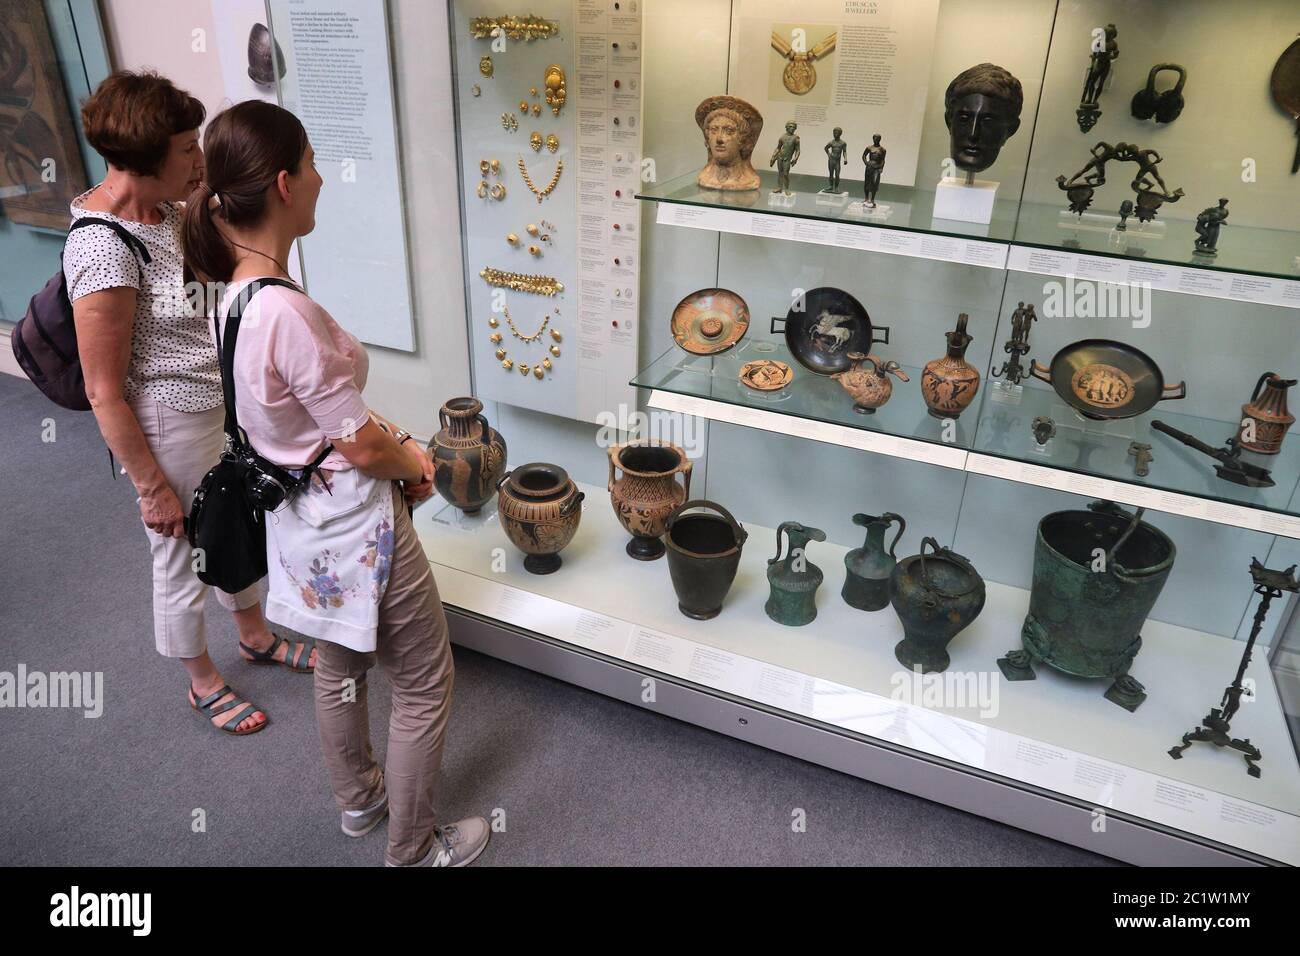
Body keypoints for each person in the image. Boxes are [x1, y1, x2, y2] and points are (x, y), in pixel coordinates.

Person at [180, 99, 488, 867]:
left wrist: (391, 445)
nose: (322, 179)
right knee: (421, 682)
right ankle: (414, 848)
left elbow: (316, 422)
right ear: (285, 183)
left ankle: (361, 804)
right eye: (313, 165)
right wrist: (413, 462)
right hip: (357, 528)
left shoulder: (238, 303)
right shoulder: (287, 312)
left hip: (302, 527)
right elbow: (357, 444)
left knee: (341, 665)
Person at [68, 71, 316, 738]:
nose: (198, 161)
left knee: (233, 525)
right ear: (145, 159)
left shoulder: (168, 213)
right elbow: (102, 389)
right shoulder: (101, 248)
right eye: (185, 149)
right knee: (180, 553)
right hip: (165, 425)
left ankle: (255, 636)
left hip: (214, 407)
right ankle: (202, 681)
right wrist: (151, 488)